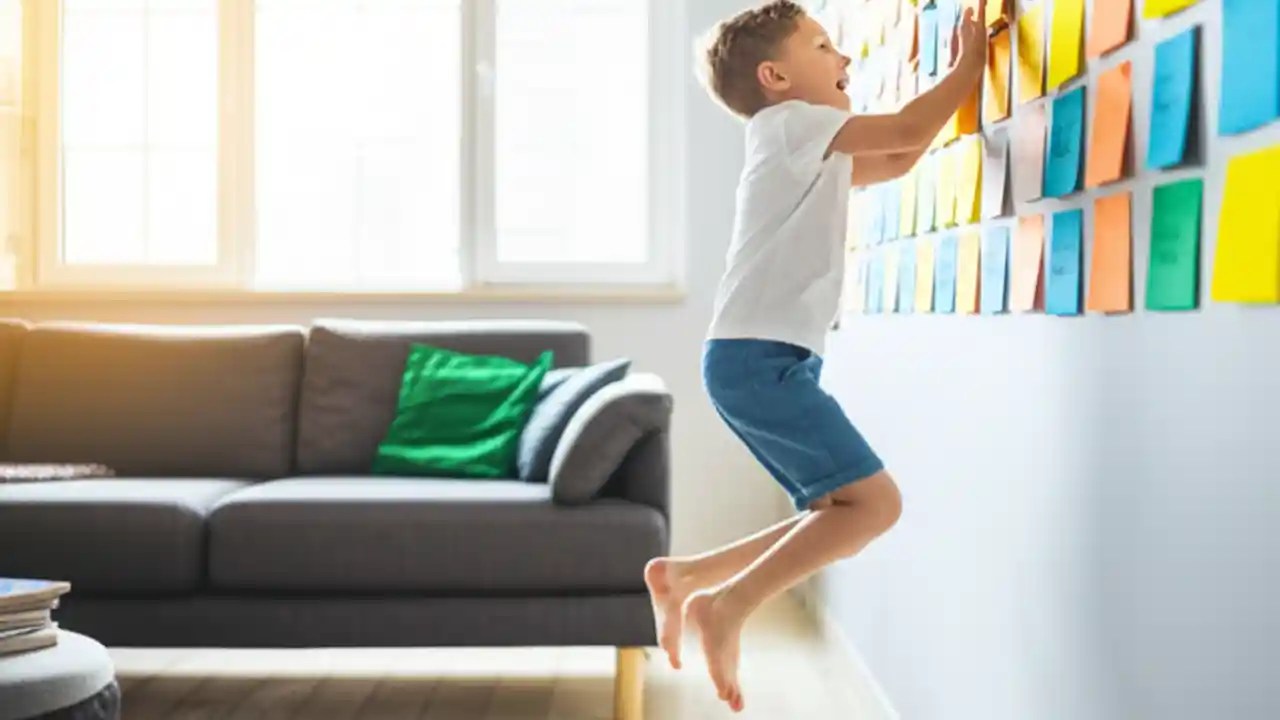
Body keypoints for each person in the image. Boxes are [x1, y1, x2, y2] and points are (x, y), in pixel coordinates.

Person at [643, 0, 988, 712]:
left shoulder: (800, 147)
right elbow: (907, 129)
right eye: (825, 45)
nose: (846, 58)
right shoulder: (792, 125)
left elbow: (900, 156)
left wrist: (957, 89)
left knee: (840, 513)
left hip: (760, 360)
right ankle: (728, 604)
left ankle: (689, 577)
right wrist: (970, 65)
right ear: (775, 77)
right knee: (875, 506)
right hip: (758, 360)